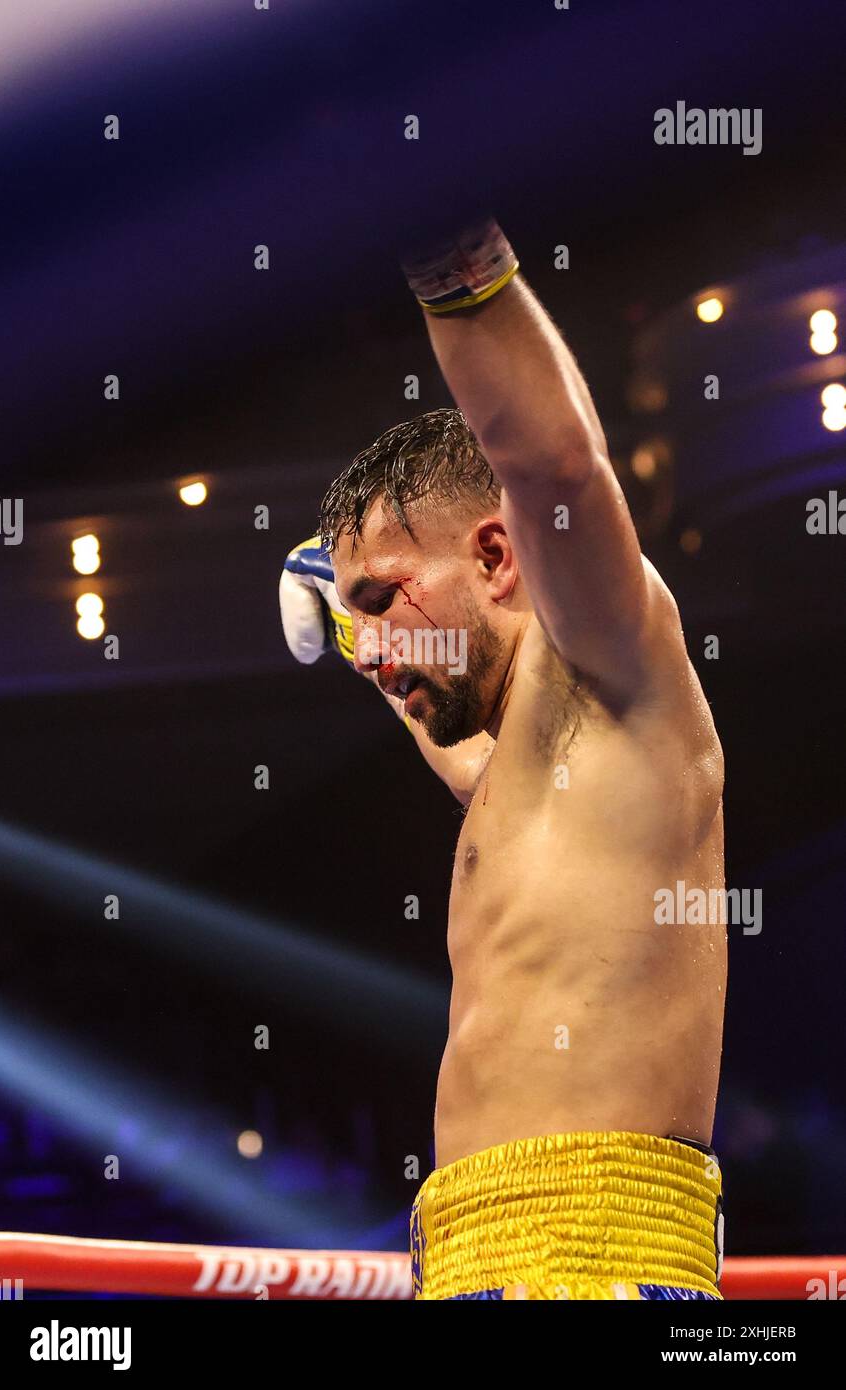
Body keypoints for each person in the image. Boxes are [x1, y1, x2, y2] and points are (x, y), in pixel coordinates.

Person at [280, 216, 726, 1301]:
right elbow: (430, 715)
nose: (380, 650)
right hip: (472, 1260)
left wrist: (448, 260)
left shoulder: (611, 663)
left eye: (387, 597)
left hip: (602, 1265)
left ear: (494, 552)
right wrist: (344, 617)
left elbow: (552, 459)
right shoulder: (523, 774)